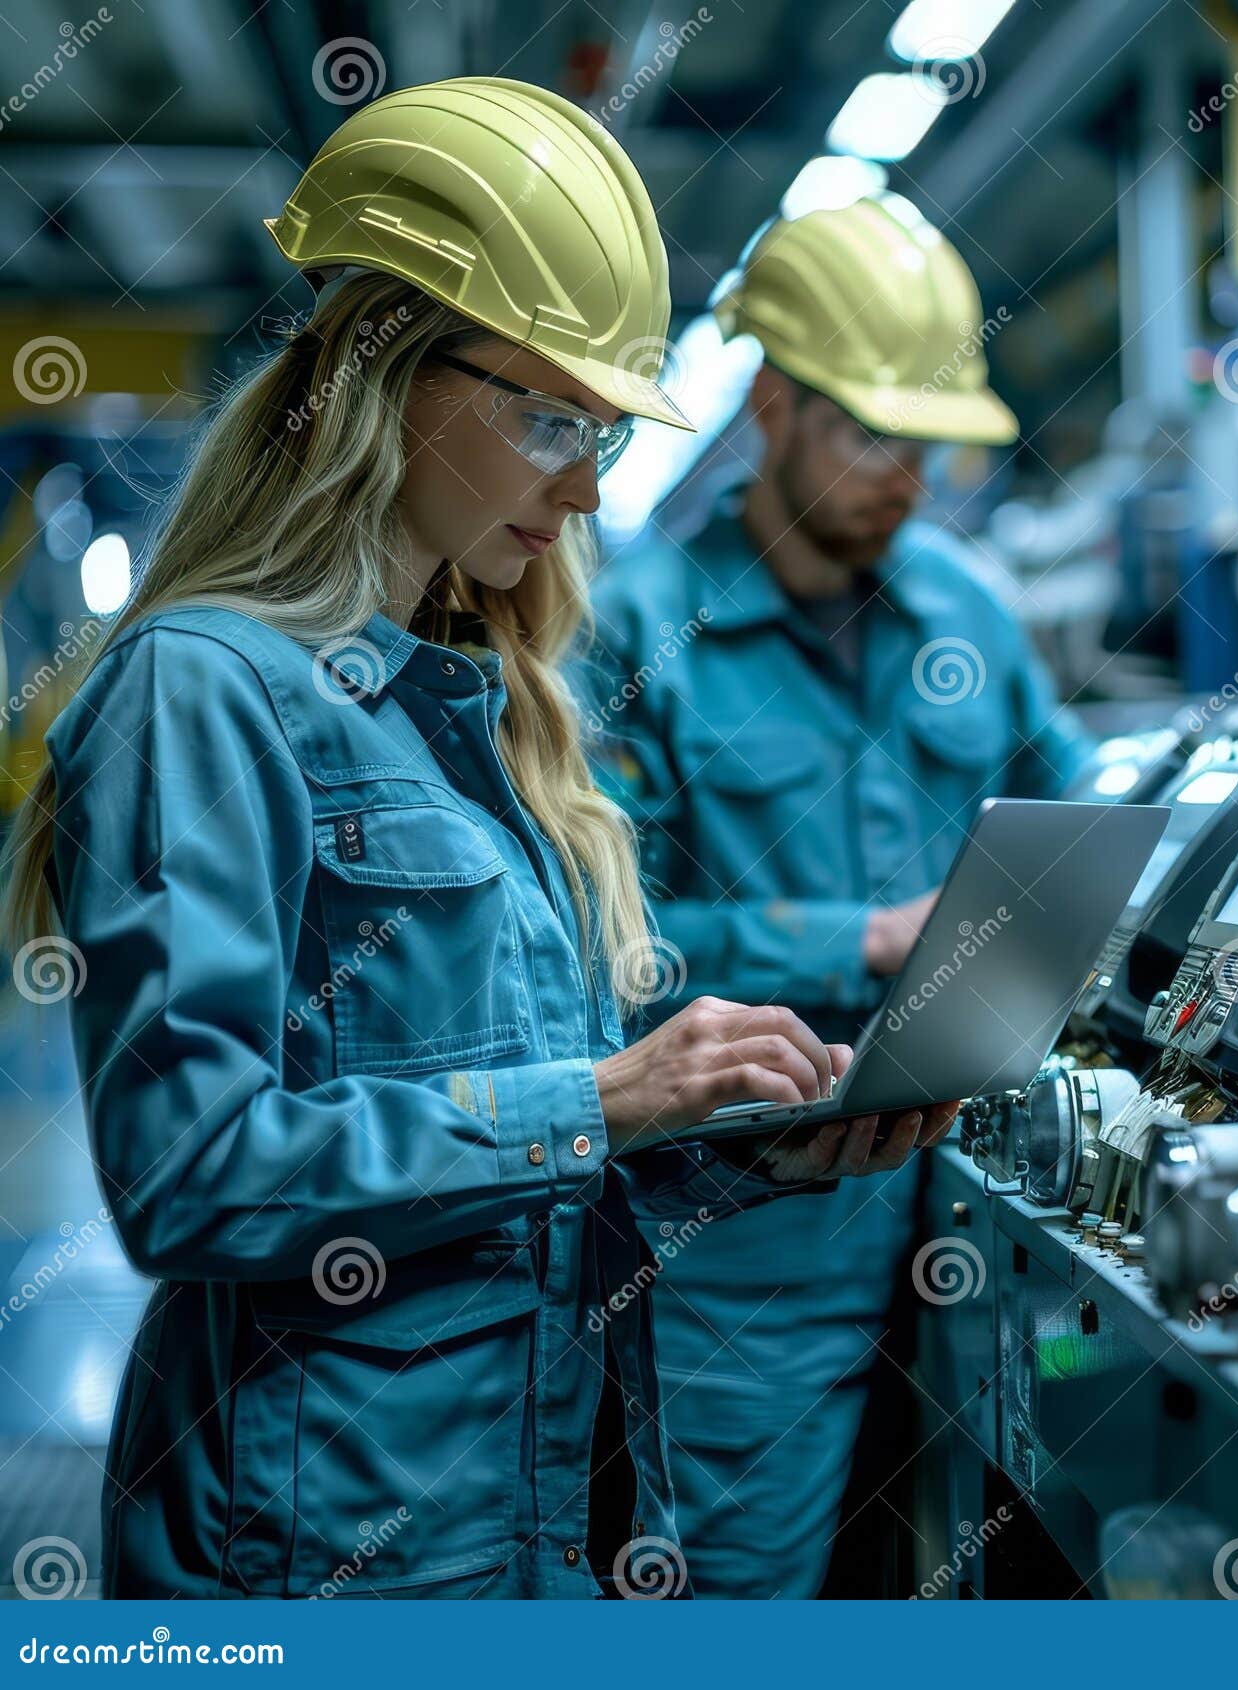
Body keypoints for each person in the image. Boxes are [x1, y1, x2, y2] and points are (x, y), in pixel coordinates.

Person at [0, 80, 954, 1601]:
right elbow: (189, 1172)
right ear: (388, 370)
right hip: (311, 1555)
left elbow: (524, 1170)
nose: (582, 487)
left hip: (526, 1526)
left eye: (596, 433)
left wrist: (732, 1146)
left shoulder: (482, 716)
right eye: (549, 416)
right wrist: (599, 1092)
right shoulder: (206, 692)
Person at [591, 197, 1093, 1598]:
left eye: (924, 443)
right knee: (740, 1596)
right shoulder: (643, 633)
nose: (905, 478)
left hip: (981, 1197)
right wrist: (857, 939)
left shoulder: (969, 612)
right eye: (870, 433)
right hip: (755, 1240)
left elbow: (1086, 817)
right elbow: (598, 952)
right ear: (768, 404)